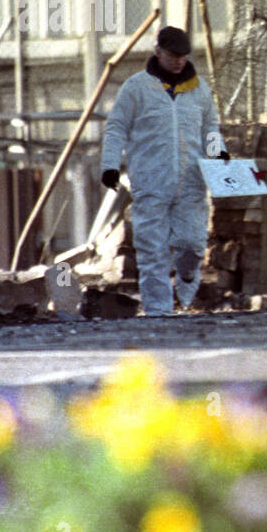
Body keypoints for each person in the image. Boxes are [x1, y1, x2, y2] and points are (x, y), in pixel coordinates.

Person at [100, 26, 226, 316]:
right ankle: (159, 312)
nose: (179, 61)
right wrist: (109, 165)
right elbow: (117, 126)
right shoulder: (136, 88)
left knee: (192, 244)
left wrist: (217, 153)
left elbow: (210, 127)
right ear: (158, 52)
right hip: (150, 182)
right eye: (172, 55)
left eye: (183, 56)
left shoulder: (199, 90)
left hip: (192, 181)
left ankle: (186, 274)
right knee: (152, 250)